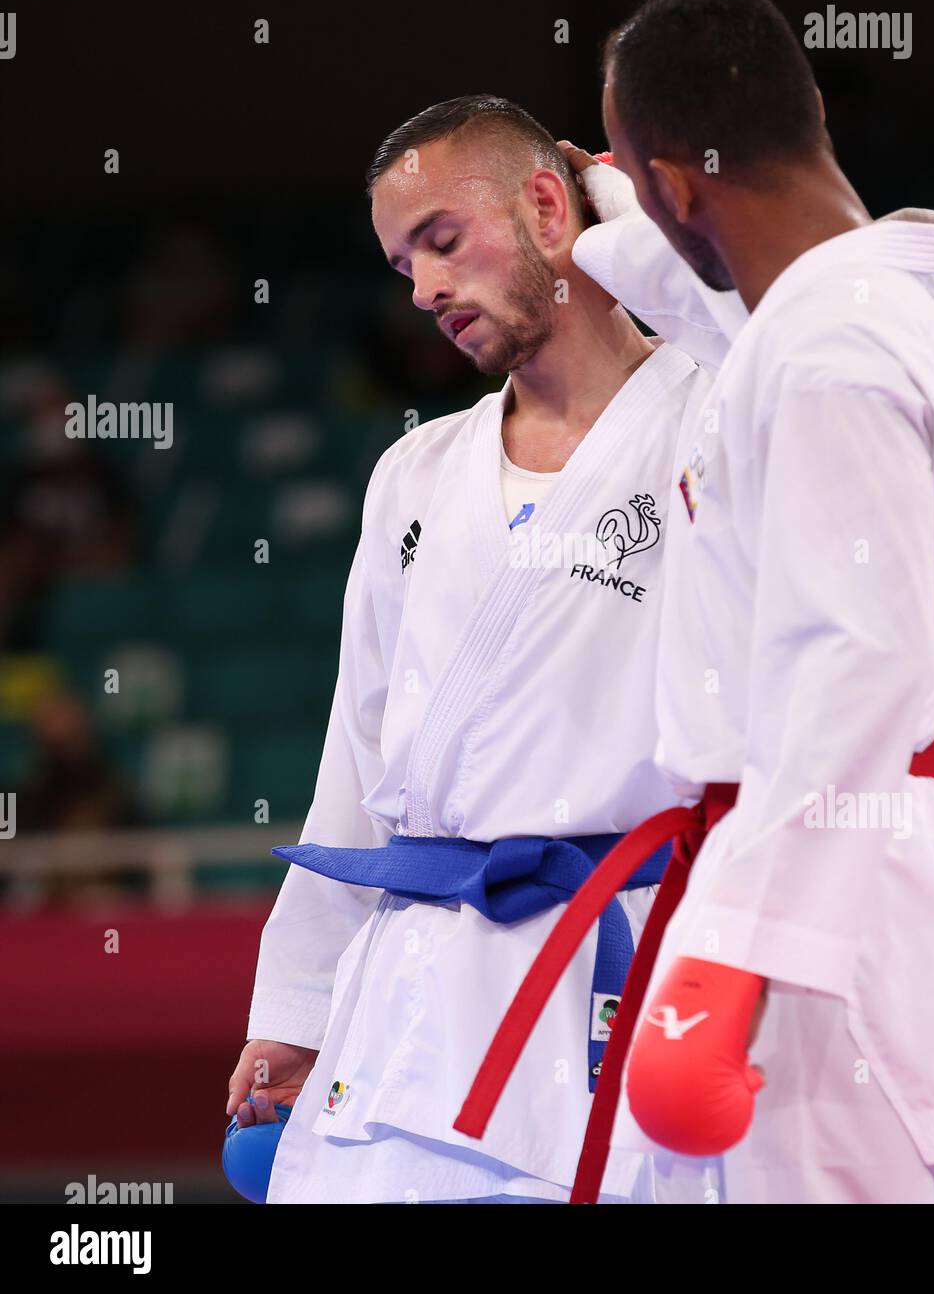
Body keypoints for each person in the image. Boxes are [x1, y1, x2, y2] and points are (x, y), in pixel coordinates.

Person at [581, 0, 934, 1202]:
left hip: (824, 905)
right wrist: (593, 203)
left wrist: (733, 952)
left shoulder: (823, 354)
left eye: (651, 189)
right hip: (912, 875)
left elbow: (850, 660)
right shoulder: (918, 298)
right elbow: (722, 297)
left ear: (682, 184)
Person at [225, 95, 719, 1204]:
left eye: (441, 242)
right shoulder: (415, 472)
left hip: (629, 960)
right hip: (415, 980)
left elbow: (799, 351)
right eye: (403, 265)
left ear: (551, 205)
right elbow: (357, 759)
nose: (423, 290)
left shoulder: (716, 418)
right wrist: (296, 1006)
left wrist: (635, 233)